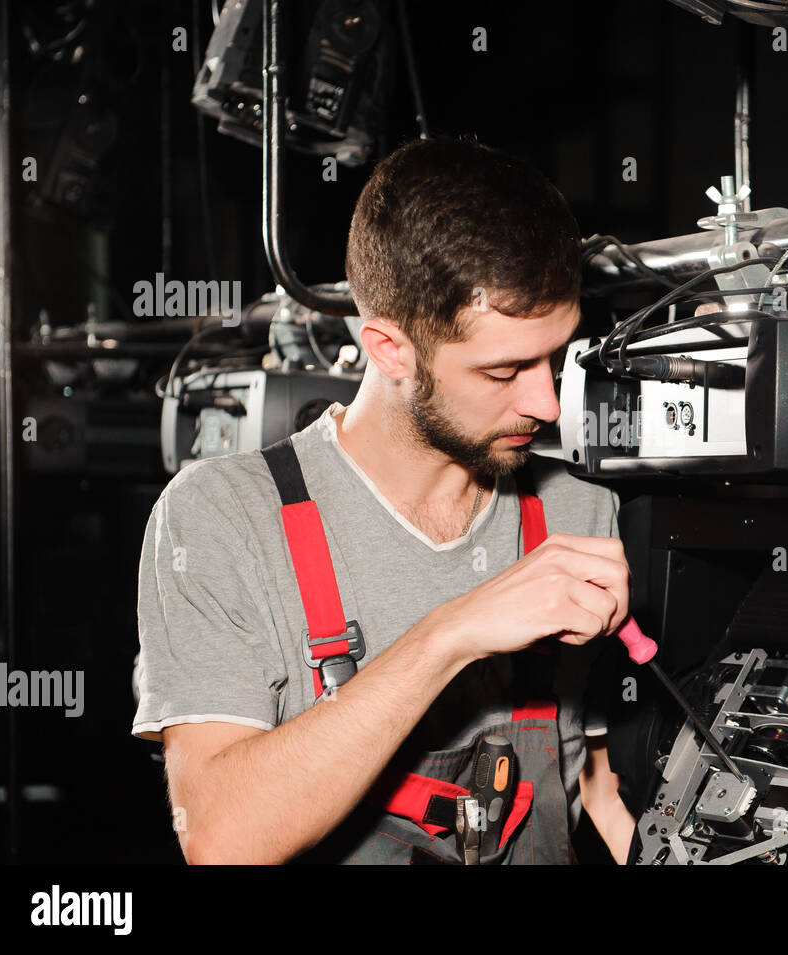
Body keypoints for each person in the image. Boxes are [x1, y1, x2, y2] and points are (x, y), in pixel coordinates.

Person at [131, 136, 637, 864]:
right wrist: (453, 631)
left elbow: (593, 781)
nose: (547, 402)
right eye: (505, 370)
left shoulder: (578, 511)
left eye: (555, 356)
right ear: (390, 348)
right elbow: (222, 838)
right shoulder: (222, 518)